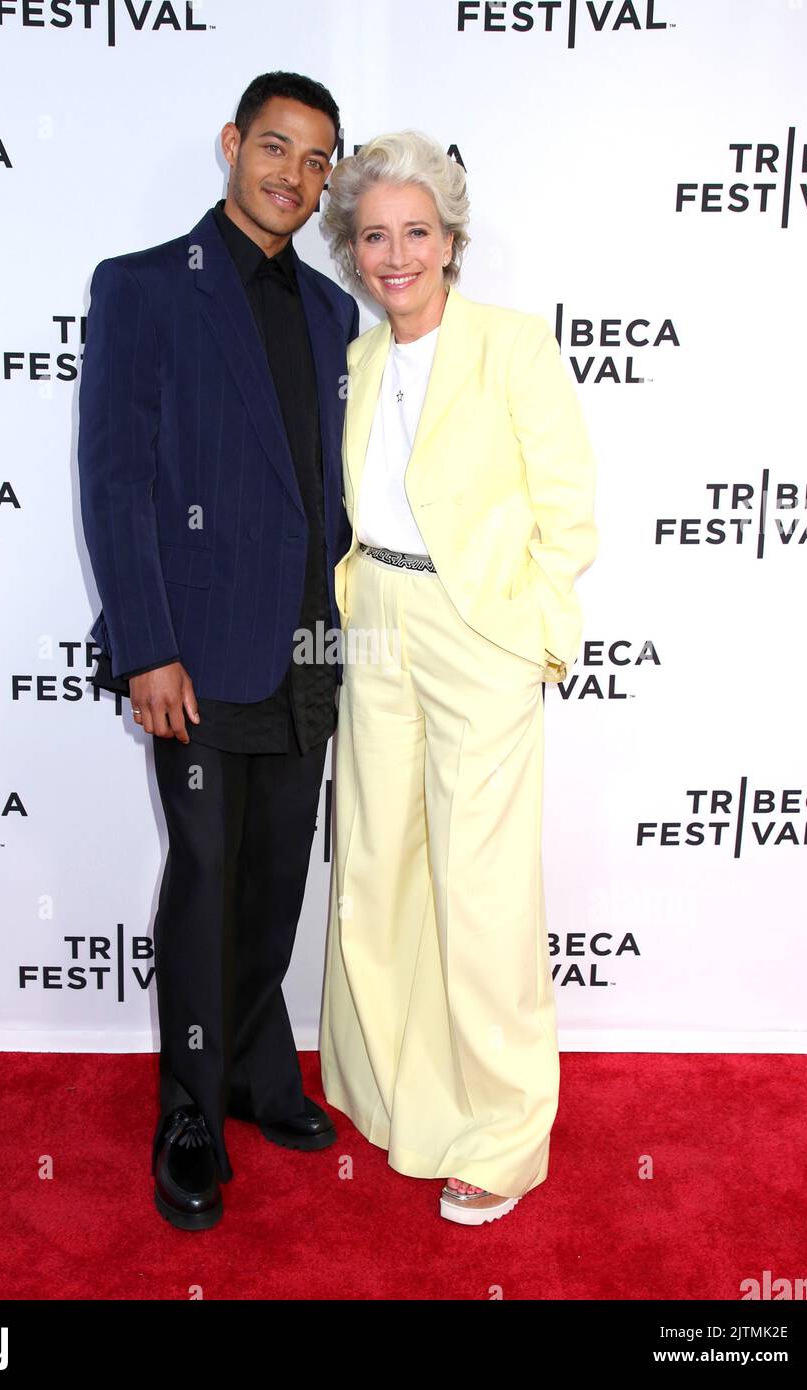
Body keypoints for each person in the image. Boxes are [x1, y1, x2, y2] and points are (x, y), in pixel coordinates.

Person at [77, 71, 359, 1231]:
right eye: (276, 148)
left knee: (275, 880)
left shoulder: (337, 312)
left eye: (316, 160)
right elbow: (116, 478)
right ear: (233, 143)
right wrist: (147, 647)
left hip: (307, 647)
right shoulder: (145, 288)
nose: (294, 175)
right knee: (202, 883)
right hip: (192, 652)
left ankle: (254, 1070)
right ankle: (187, 1111)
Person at [318, 130, 598, 1225]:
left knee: (481, 889)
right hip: (378, 612)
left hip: (477, 625)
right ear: (353, 248)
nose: (396, 255)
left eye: (417, 233)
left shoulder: (513, 344)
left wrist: (530, 629)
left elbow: (568, 508)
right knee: (381, 860)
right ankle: (400, 1091)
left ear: (452, 239)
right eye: (375, 235)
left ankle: (503, 1131)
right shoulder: (362, 357)